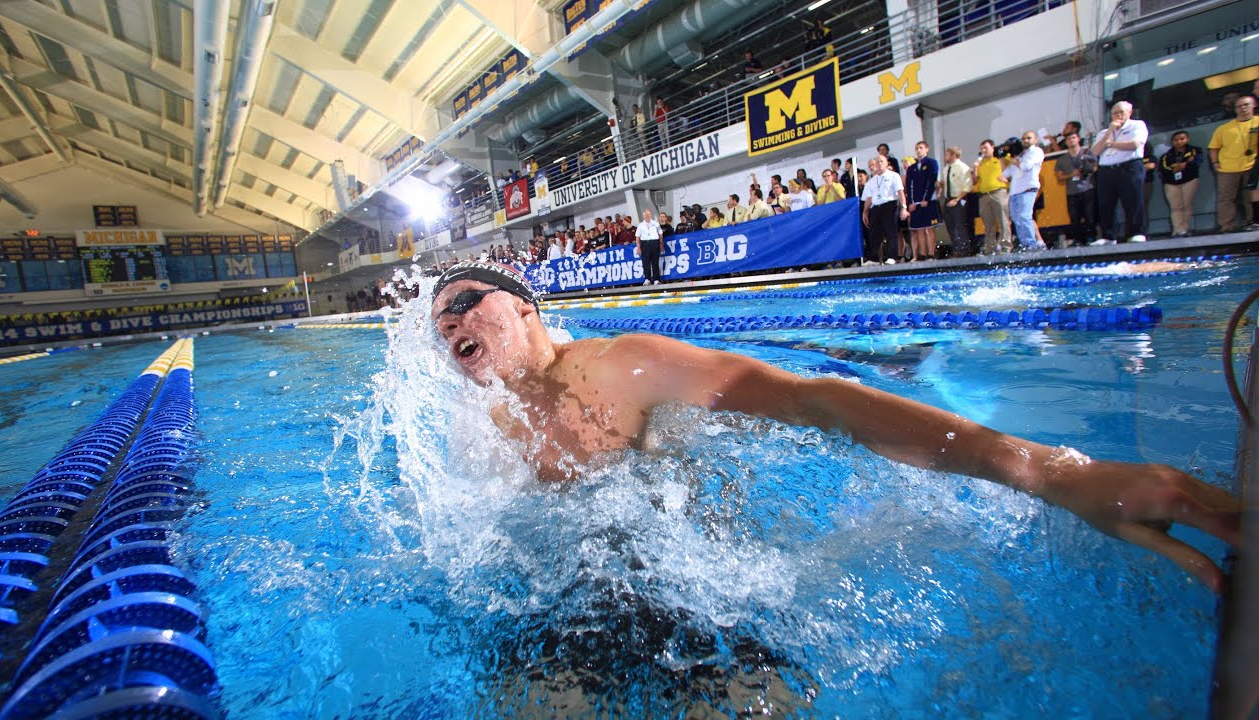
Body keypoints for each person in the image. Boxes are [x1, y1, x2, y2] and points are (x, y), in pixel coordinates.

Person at [430, 262, 1240, 593]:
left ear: (527, 306)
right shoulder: (485, 427)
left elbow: (815, 401)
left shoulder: (625, 365)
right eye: (440, 324)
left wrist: (1051, 471)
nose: (452, 323)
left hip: (700, 591)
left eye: (466, 301)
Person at [1091, 101, 1149, 244]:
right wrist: (1109, 132)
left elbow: (1134, 144)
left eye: (1121, 112)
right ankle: (1108, 236)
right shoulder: (1104, 132)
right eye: (1115, 113)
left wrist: (1111, 144)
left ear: (1129, 112)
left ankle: (1137, 232)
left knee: (1133, 201)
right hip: (1106, 169)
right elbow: (1096, 151)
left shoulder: (1137, 125)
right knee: (1106, 204)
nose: (1118, 115)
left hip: (1129, 166)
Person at [1207, 94, 1258, 233]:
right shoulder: (1224, 128)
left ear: (1254, 105)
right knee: (1226, 199)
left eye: (1246, 105)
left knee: (1250, 197)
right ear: (1235, 109)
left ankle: (1252, 223)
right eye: (1239, 106)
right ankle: (1226, 226)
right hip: (1227, 169)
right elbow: (1214, 148)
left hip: (1252, 166)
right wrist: (1215, 163)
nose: (1243, 108)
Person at [1001, 131, 1046, 251]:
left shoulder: (1037, 151)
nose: (1025, 140)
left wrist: (1012, 159)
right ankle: (1024, 244)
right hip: (1015, 191)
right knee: (1017, 218)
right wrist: (1002, 158)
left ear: (1035, 140)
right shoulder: (1021, 155)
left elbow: (1026, 166)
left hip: (1028, 189)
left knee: (1024, 216)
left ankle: (1031, 245)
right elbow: (1005, 174)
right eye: (1023, 138)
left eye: (1029, 138)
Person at [1055, 131, 1098, 247]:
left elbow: (1095, 167)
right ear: (1066, 142)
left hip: (1087, 188)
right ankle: (1078, 239)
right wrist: (1072, 174)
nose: (1071, 140)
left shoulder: (1087, 153)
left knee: (1090, 215)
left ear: (1078, 139)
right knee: (1074, 217)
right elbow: (1059, 177)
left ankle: (1091, 237)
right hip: (1071, 191)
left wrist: (1086, 170)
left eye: (1073, 137)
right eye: (1068, 139)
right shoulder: (1062, 159)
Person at [861, 156, 908, 264]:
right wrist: (865, 211)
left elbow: (900, 192)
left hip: (890, 205)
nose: (879, 164)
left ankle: (892, 257)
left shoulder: (894, 176)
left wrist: (904, 208)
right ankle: (874, 258)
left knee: (891, 232)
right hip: (876, 208)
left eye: (881, 161)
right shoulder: (871, 181)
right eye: (877, 162)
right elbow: (869, 198)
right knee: (874, 233)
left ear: (887, 163)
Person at [1158, 131, 1203, 238]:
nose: (1179, 141)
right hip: (1171, 183)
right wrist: (1179, 166)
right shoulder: (1167, 155)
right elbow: (1163, 168)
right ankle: (1177, 230)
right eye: (1176, 140)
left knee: (1186, 205)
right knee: (1175, 207)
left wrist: (1184, 165)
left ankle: (1184, 229)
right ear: (1172, 142)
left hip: (1189, 180)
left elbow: (1196, 163)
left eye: (1182, 139)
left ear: (1187, 139)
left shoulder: (1194, 150)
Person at [905, 141, 941, 260]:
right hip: (916, 202)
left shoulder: (932, 163)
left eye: (921, 148)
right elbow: (909, 186)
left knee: (930, 228)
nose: (918, 150)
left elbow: (932, 181)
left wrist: (926, 199)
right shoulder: (911, 168)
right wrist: (911, 202)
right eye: (917, 148)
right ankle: (923, 254)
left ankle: (931, 253)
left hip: (929, 201)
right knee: (919, 229)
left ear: (927, 149)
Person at [974, 139, 1011, 254]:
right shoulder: (981, 163)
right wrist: (975, 168)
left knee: (1003, 221)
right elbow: (975, 181)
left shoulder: (1000, 159)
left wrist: (1002, 158)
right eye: (981, 149)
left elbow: (1012, 168)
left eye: (985, 148)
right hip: (984, 196)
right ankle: (989, 248)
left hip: (998, 192)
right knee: (988, 224)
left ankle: (1005, 246)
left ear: (992, 147)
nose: (983, 150)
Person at [937, 146, 973, 256]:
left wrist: (957, 200)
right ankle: (956, 248)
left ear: (953, 155)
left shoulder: (962, 167)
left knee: (959, 224)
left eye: (947, 154)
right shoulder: (946, 168)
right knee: (950, 225)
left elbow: (968, 186)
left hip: (958, 199)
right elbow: (944, 182)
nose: (945, 157)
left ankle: (964, 249)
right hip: (948, 199)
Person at [636, 209, 663, 285]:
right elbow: (637, 237)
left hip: (654, 243)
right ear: (644, 216)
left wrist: (661, 243)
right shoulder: (640, 225)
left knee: (655, 262)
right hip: (645, 244)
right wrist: (638, 247)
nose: (648, 216)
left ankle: (656, 279)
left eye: (649, 215)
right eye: (646, 215)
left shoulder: (656, 224)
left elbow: (660, 234)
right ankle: (647, 278)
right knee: (646, 262)